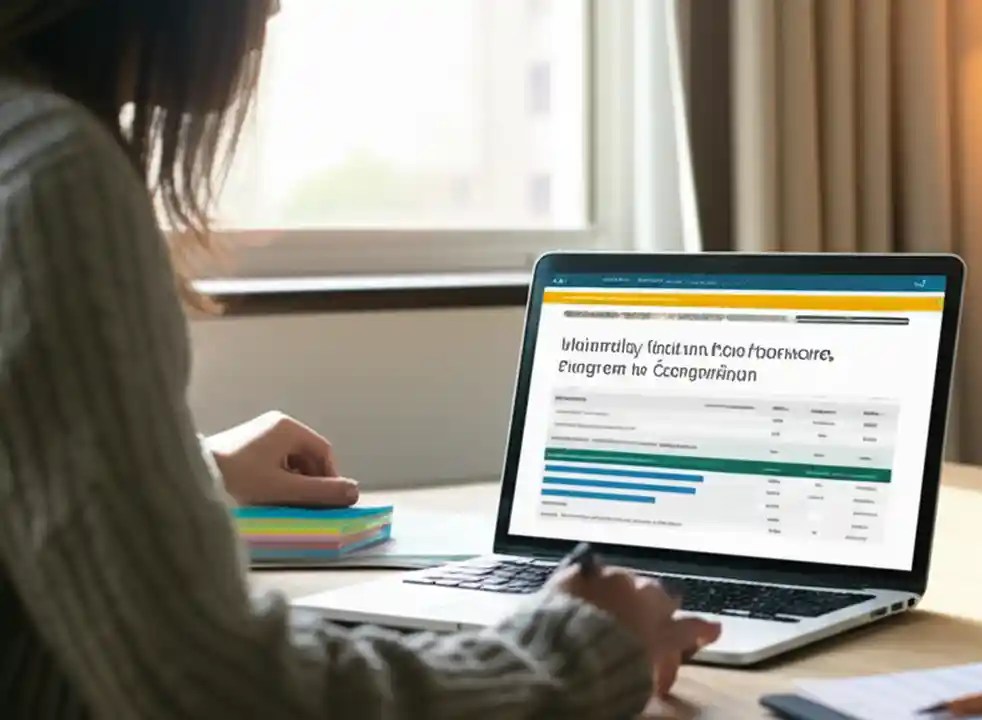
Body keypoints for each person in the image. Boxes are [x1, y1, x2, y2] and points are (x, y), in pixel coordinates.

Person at [0, 1, 720, 717]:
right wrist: (577, 651)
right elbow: (222, 689)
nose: (277, 5)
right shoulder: (54, 175)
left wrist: (191, 466)